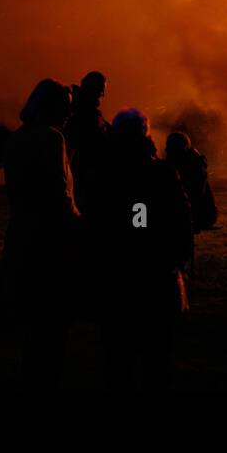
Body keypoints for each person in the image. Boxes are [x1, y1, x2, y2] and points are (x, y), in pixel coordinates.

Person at [90, 109, 193, 389]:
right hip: (156, 273)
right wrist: (181, 262)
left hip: (117, 275)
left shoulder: (104, 173)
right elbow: (181, 220)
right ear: (145, 135)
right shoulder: (160, 172)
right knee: (157, 355)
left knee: (117, 357)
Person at [1, 78, 82, 388]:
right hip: (50, 246)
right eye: (65, 107)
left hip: (22, 240)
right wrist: (81, 225)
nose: (69, 114)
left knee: (33, 332)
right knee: (52, 330)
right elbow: (61, 198)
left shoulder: (18, 139)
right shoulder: (51, 139)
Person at [64, 71, 108, 214]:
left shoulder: (79, 109)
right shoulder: (84, 114)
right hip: (85, 174)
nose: (102, 95)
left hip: (82, 173)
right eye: (101, 91)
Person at [166, 132, 217, 233]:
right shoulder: (187, 163)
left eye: (170, 147)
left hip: (201, 216)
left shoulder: (194, 168)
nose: (166, 150)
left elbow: (195, 196)